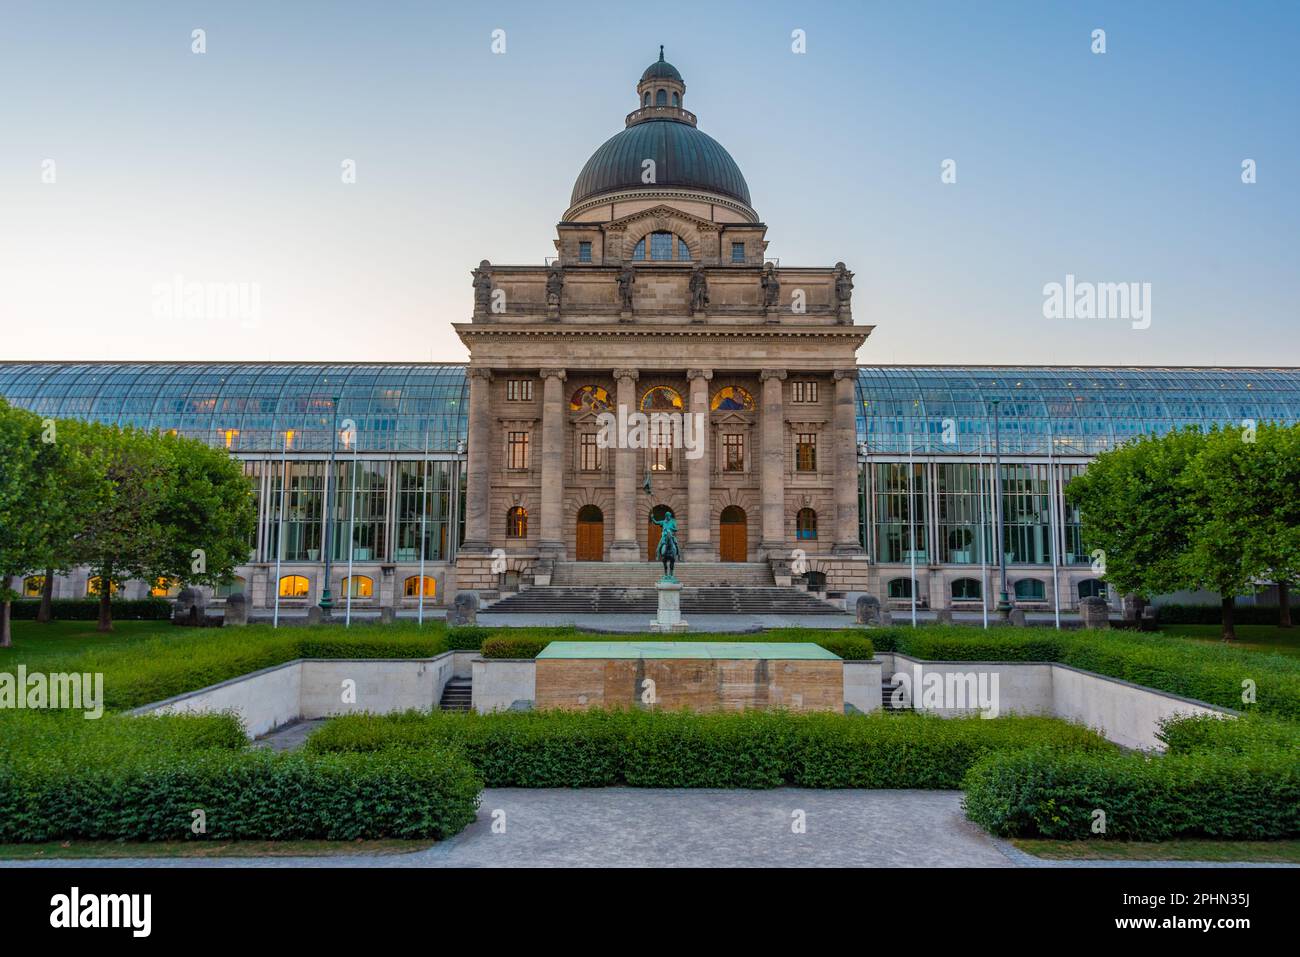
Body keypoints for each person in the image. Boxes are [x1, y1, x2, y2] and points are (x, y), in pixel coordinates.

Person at [651, 509, 680, 579]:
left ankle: (679, 555)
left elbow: (676, 529)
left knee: (676, 544)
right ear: (666, 516)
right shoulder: (663, 522)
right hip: (664, 536)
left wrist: (671, 529)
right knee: (660, 545)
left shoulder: (673, 522)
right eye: (667, 516)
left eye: (669, 516)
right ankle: (657, 554)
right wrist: (652, 518)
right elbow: (656, 522)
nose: (668, 517)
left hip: (671, 536)